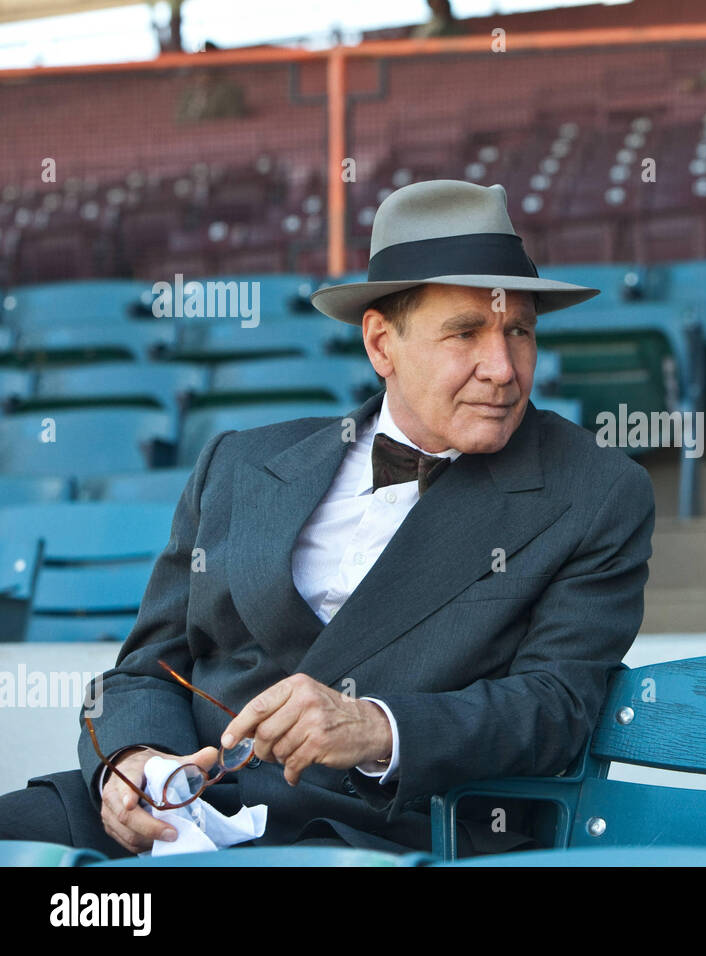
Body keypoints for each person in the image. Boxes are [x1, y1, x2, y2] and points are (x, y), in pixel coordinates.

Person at [0, 180, 655, 858]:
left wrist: (377, 728)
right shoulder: (237, 464)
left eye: (518, 330)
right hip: (178, 815)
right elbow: (147, 671)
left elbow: (557, 707)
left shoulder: (596, 492)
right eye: (466, 332)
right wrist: (134, 761)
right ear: (381, 345)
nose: (503, 367)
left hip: (381, 832)